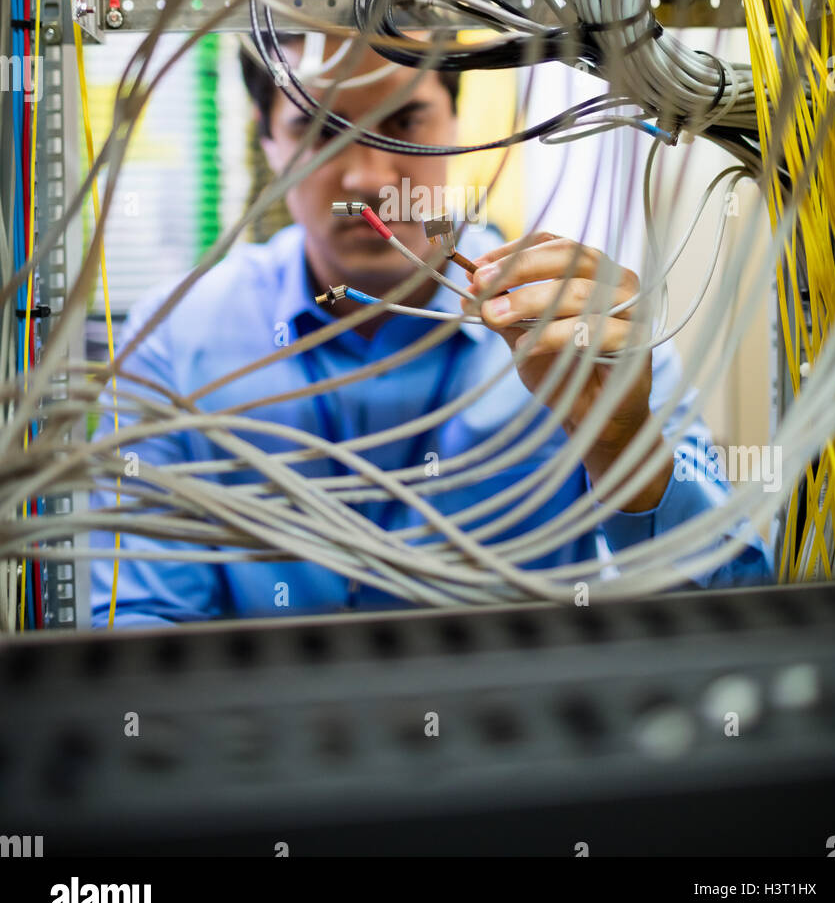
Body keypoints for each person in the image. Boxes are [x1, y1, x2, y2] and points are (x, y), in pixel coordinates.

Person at [90, 35, 771, 626]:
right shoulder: (177, 342)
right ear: (270, 145)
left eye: (404, 122)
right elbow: (146, 632)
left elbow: (737, 610)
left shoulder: (582, 326)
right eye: (320, 129)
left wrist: (626, 458)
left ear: (455, 125)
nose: (367, 176)